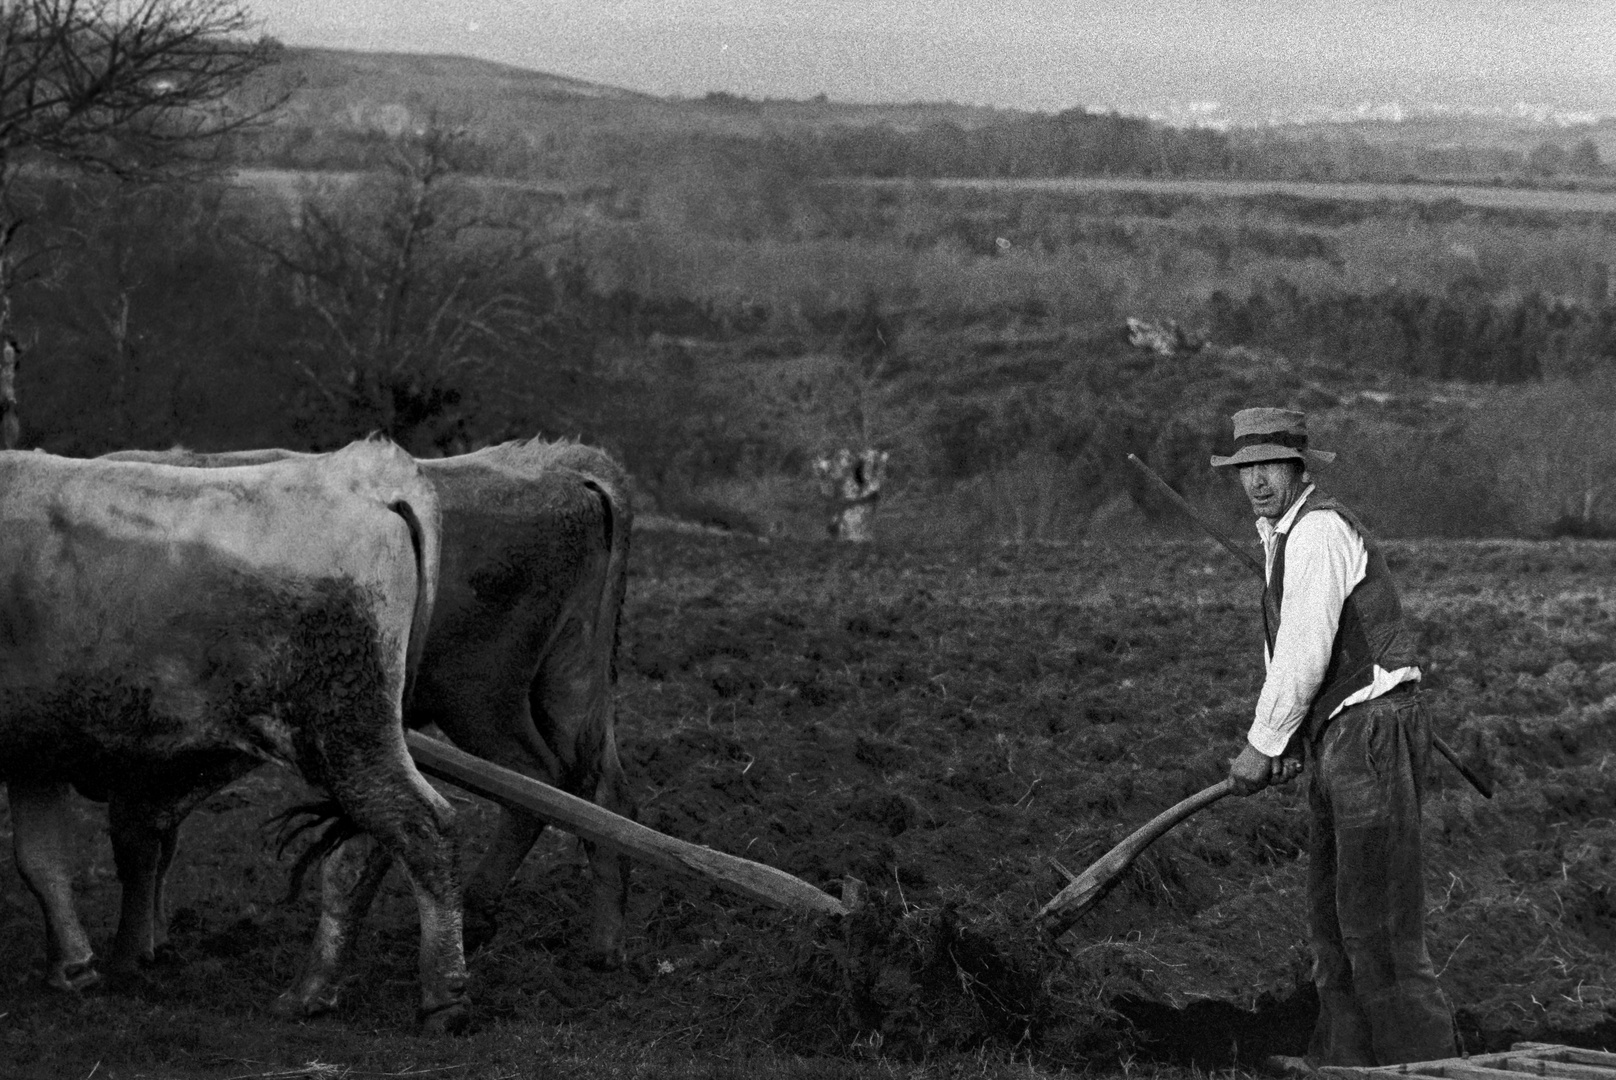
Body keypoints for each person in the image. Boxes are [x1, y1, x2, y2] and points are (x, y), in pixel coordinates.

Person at [1211, 407, 1456, 1069]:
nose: (1258, 481)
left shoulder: (1317, 532)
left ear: (1297, 469)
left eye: (1270, 466)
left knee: (1377, 928)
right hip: (1342, 735)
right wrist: (1290, 743)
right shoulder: (1282, 535)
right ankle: (1344, 1060)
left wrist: (1263, 745)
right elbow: (1289, 649)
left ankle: (1423, 1065)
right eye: (1246, 469)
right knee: (1333, 920)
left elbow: (1304, 654)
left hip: (1370, 732)